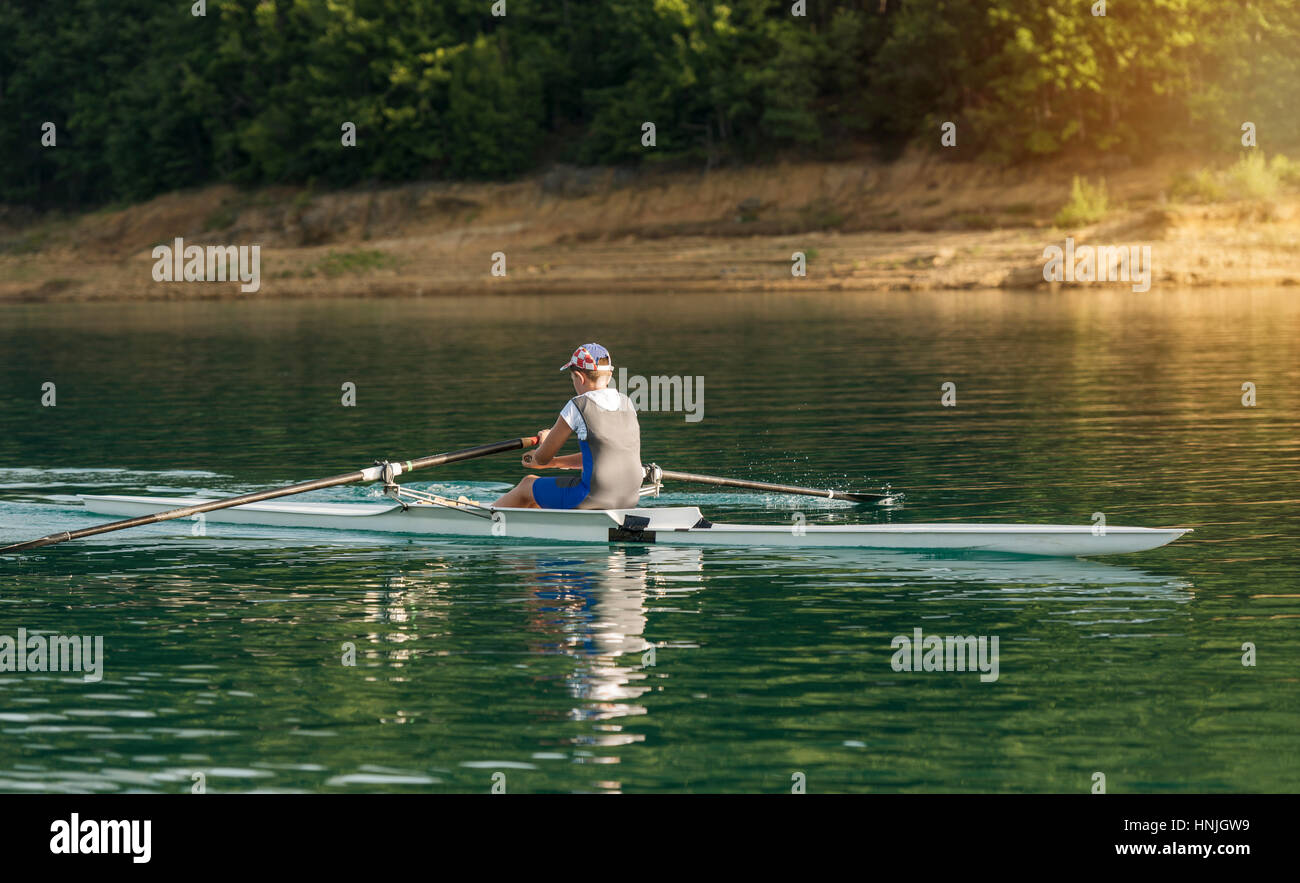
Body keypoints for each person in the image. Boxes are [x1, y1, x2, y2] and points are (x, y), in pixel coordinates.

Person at [493, 344, 643, 510]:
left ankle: (484, 518)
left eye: (572, 379)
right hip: (630, 497)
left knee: (527, 484)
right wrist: (556, 463)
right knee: (542, 494)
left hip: (592, 496)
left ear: (579, 377)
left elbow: (541, 459)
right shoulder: (626, 403)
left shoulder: (578, 405)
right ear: (609, 375)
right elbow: (601, 454)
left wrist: (545, 440)